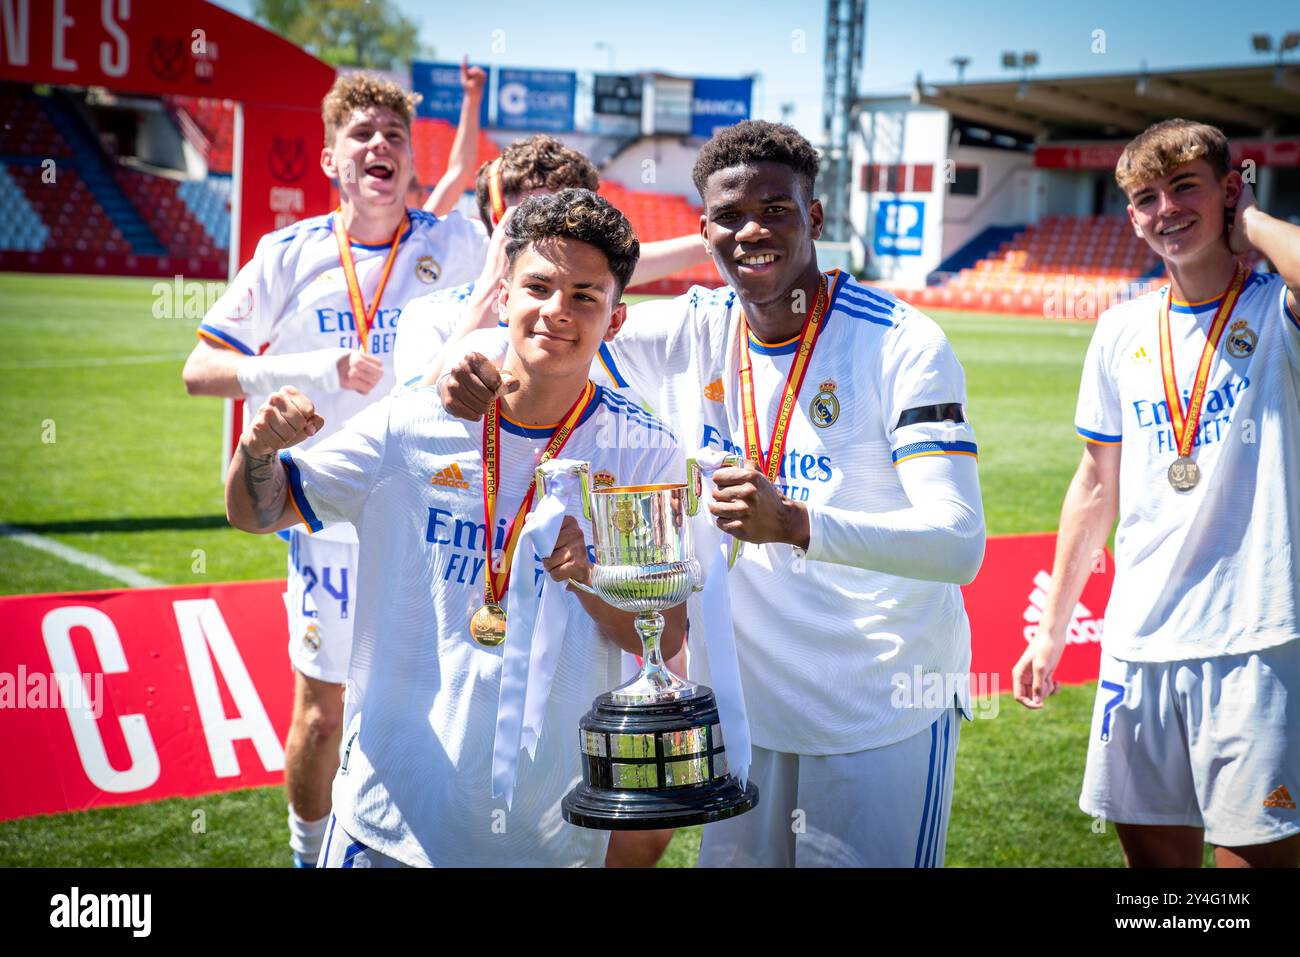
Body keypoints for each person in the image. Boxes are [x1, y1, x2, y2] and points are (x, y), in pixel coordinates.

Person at [432, 120, 986, 867]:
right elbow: (548, 328)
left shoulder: (902, 344)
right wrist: (462, 363)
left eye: (776, 209)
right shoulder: (696, 327)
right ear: (704, 229)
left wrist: (793, 521)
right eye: (729, 215)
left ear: (814, 218)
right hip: (744, 714)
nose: (751, 229)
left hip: (879, 711)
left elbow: (958, 544)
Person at [224, 188, 685, 867]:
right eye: (539, 286)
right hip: (384, 822)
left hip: (546, 836)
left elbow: (664, 632)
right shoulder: (413, 421)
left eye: (586, 296)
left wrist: (591, 575)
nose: (558, 310)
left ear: (615, 320)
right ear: (503, 295)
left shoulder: (644, 449)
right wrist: (256, 451)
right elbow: (256, 511)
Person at [181, 71, 487, 867]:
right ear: (328, 159)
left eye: (394, 133)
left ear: (411, 160)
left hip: (429, 516)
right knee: (322, 715)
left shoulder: (456, 243)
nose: (380, 143)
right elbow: (198, 368)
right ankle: (307, 853)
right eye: (362, 133)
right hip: (321, 507)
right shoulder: (288, 253)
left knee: (431, 700)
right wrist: (314, 367)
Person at [1013, 119, 1300, 868]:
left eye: (1185, 188)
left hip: (1257, 641)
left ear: (1230, 191)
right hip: (1137, 643)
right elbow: (1094, 484)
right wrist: (1052, 626)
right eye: (1144, 198)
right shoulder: (1119, 328)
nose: (1164, 210)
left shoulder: (1277, 309)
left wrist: (1257, 225)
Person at [422, 57, 488, 217]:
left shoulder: (419, 227)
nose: (379, 143)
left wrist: (472, 99)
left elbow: (460, 169)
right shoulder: (348, 230)